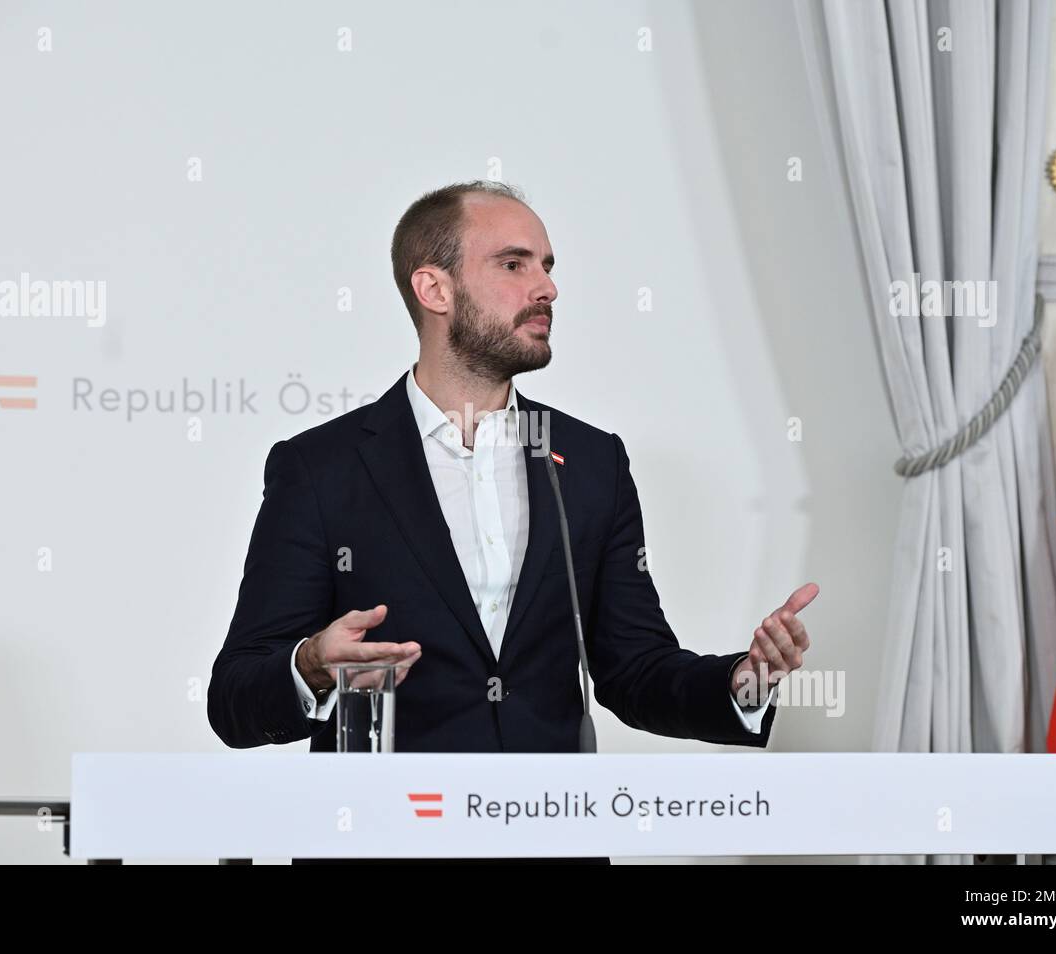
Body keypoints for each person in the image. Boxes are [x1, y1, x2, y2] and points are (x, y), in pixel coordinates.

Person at [207, 181, 818, 863]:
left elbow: (632, 669)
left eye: (549, 266)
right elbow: (235, 696)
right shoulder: (321, 469)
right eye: (513, 264)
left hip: (552, 847)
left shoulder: (590, 463)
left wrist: (740, 682)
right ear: (434, 289)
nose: (547, 288)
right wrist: (311, 665)